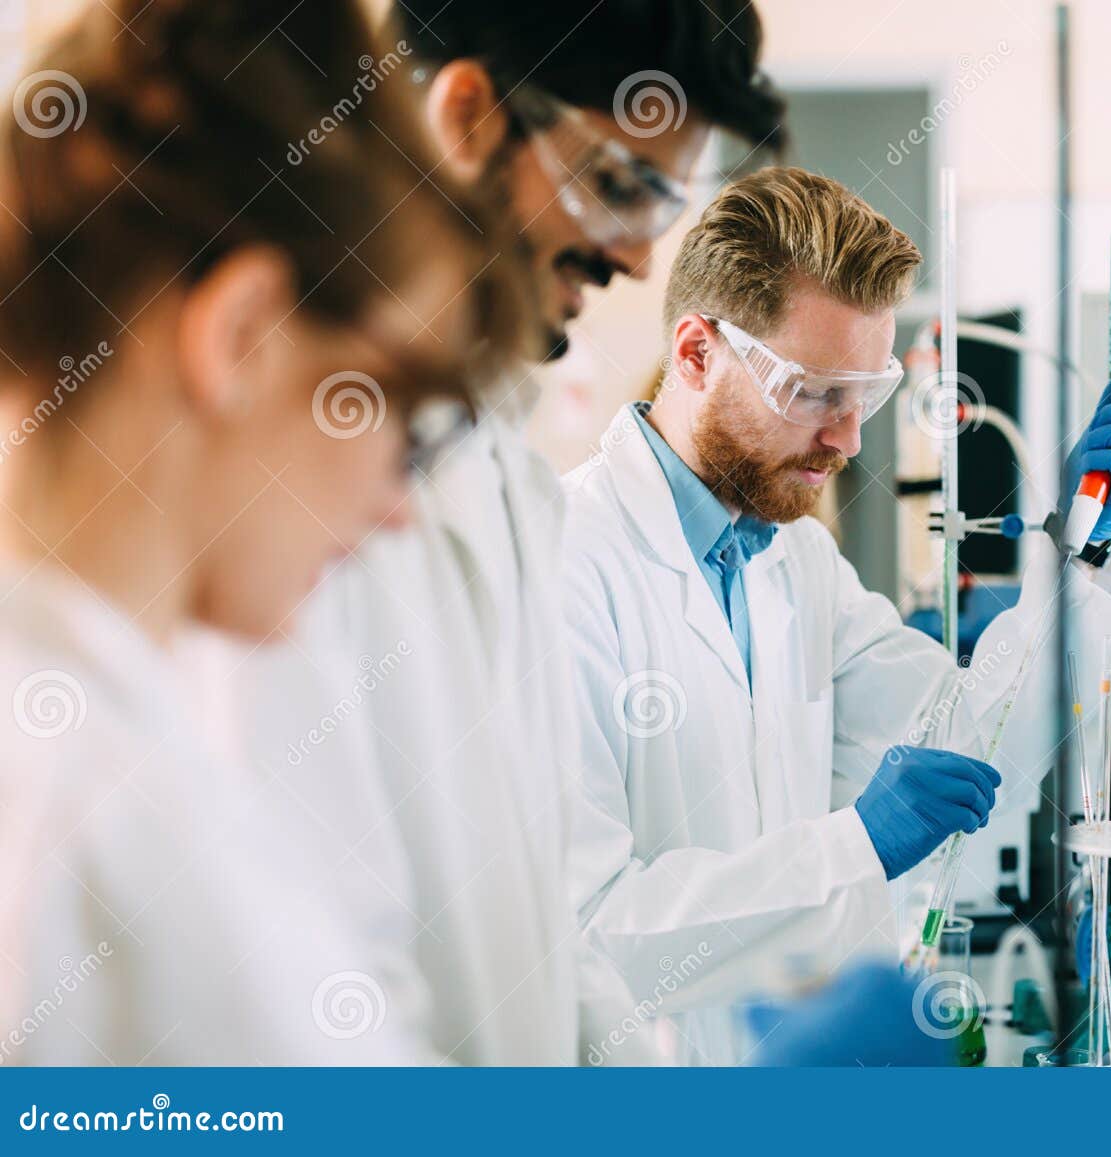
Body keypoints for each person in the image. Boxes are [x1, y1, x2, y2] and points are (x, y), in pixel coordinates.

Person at [206, 0, 865, 1065]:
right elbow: (299, 998)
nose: (641, 259)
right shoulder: (290, 469)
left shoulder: (509, 481)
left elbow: (548, 943)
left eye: (666, 201)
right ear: (467, 115)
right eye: (618, 186)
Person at [0, 0, 537, 1063]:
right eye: (403, 414)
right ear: (242, 335)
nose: (400, 505)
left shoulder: (95, 733)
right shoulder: (107, 833)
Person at [560, 166, 1111, 1063]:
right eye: (814, 391)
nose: (848, 438)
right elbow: (588, 930)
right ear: (696, 353)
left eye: (866, 394)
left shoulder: (795, 558)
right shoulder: (564, 560)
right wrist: (856, 846)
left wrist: (1077, 548)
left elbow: (969, 742)